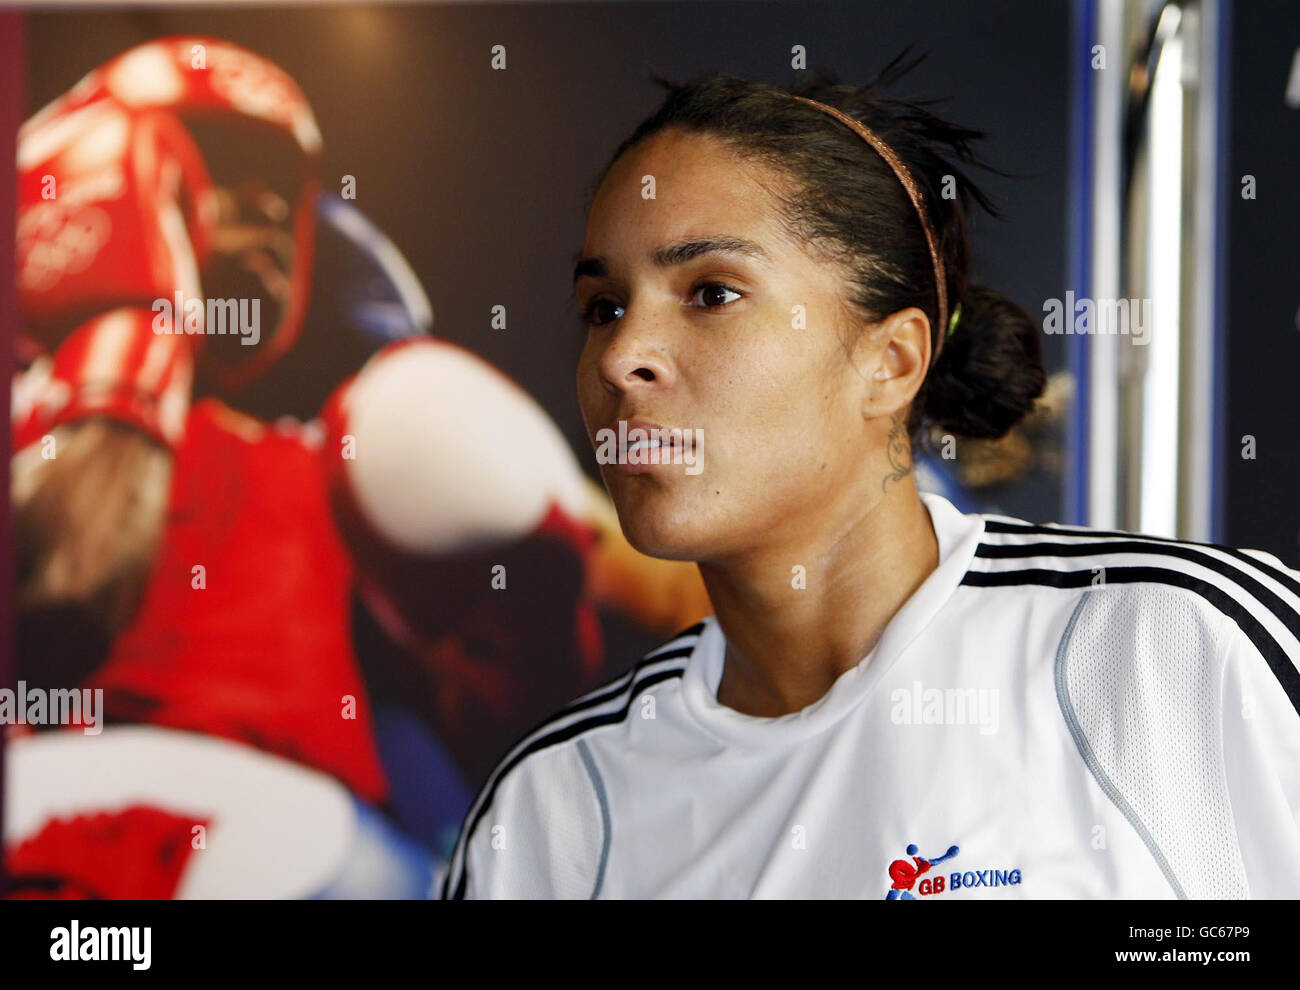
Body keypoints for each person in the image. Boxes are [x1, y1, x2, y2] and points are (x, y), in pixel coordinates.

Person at [442, 52, 1300, 899]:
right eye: (604, 307)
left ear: (891, 361)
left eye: (712, 292)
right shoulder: (548, 812)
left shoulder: (1176, 648)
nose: (622, 356)